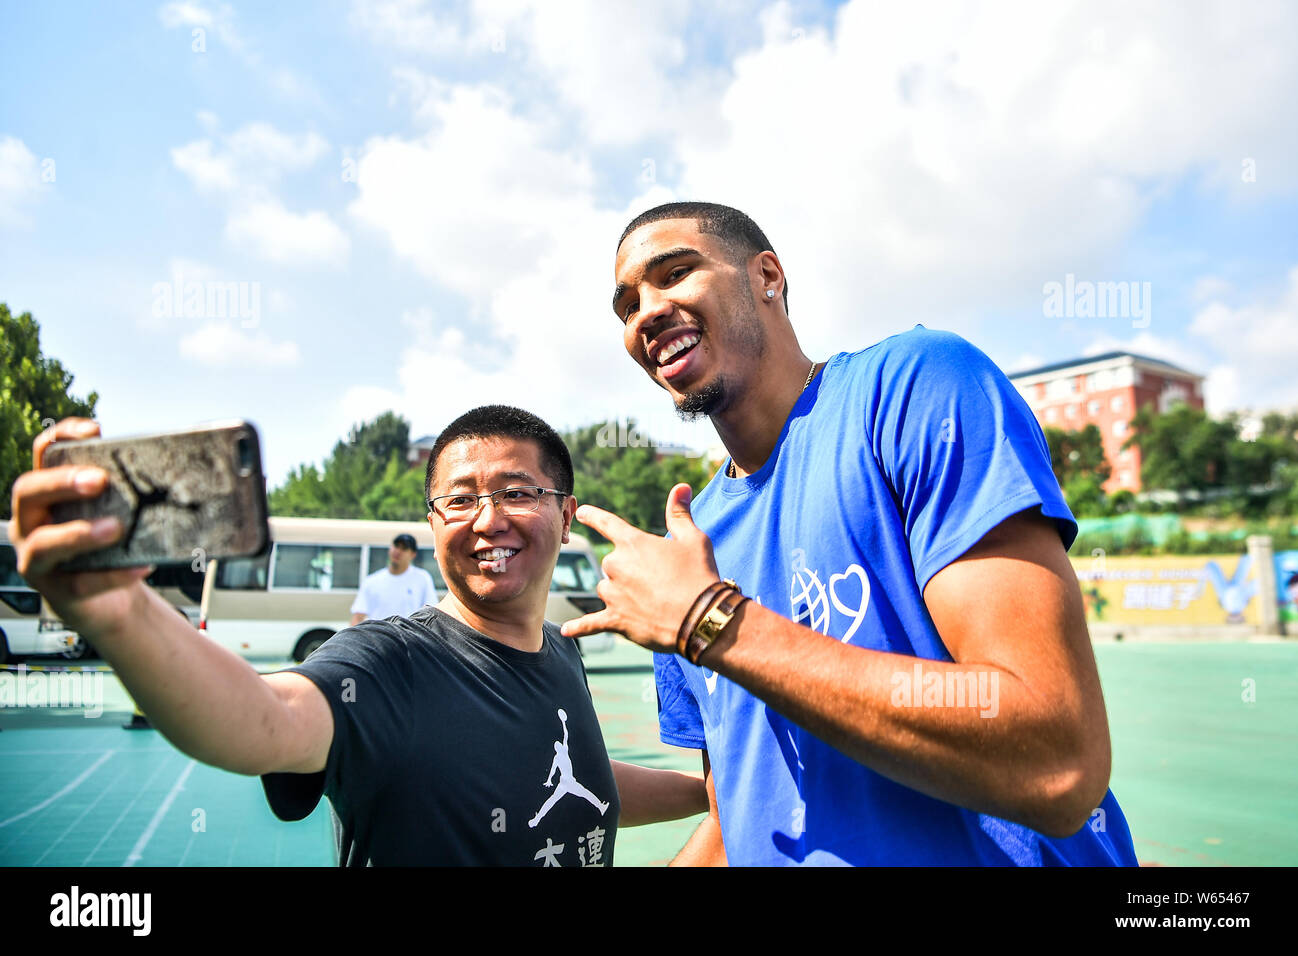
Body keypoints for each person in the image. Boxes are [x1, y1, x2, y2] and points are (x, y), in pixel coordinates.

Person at [563, 201, 1139, 866]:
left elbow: (1056, 761)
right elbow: (743, 816)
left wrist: (710, 621)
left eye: (675, 273)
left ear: (768, 277)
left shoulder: (913, 386)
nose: (647, 312)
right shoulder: (687, 547)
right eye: (626, 305)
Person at [9, 406, 707, 865]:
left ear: (567, 512)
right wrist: (119, 613)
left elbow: (572, 783)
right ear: (433, 524)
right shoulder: (389, 665)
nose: (488, 518)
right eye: (459, 499)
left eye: (518, 492)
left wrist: (710, 791)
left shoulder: (562, 651)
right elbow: (264, 720)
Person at [349, 533, 437, 626]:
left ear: (413, 554)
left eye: (404, 549)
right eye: (396, 546)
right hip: (377, 636)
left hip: (409, 637)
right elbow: (358, 617)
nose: (398, 551)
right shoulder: (371, 581)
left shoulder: (422, 578)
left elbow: (431, 613)